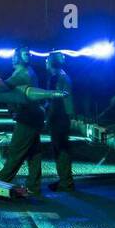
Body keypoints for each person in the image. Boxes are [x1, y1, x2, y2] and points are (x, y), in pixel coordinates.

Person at [0, 47, 45, 196]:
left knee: (16, 151)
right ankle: (34, 186)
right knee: (33, 153)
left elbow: (1, 88)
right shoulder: (29, 71)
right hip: (35, 116)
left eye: (15, 56)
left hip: (28, 118)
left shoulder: (22, 74)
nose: (13, 58)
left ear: (17, 59)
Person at [45, 52, 75, 191]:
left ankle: (66, 182)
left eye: (47, 60)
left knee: (61, 150)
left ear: (51, 63)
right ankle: (64, 180)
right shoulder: (58, 77)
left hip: (60, 119)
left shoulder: (61, 78)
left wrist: (68, 117)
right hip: (59, 118)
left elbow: (63, 99)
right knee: (59, 150)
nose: (45, 62)